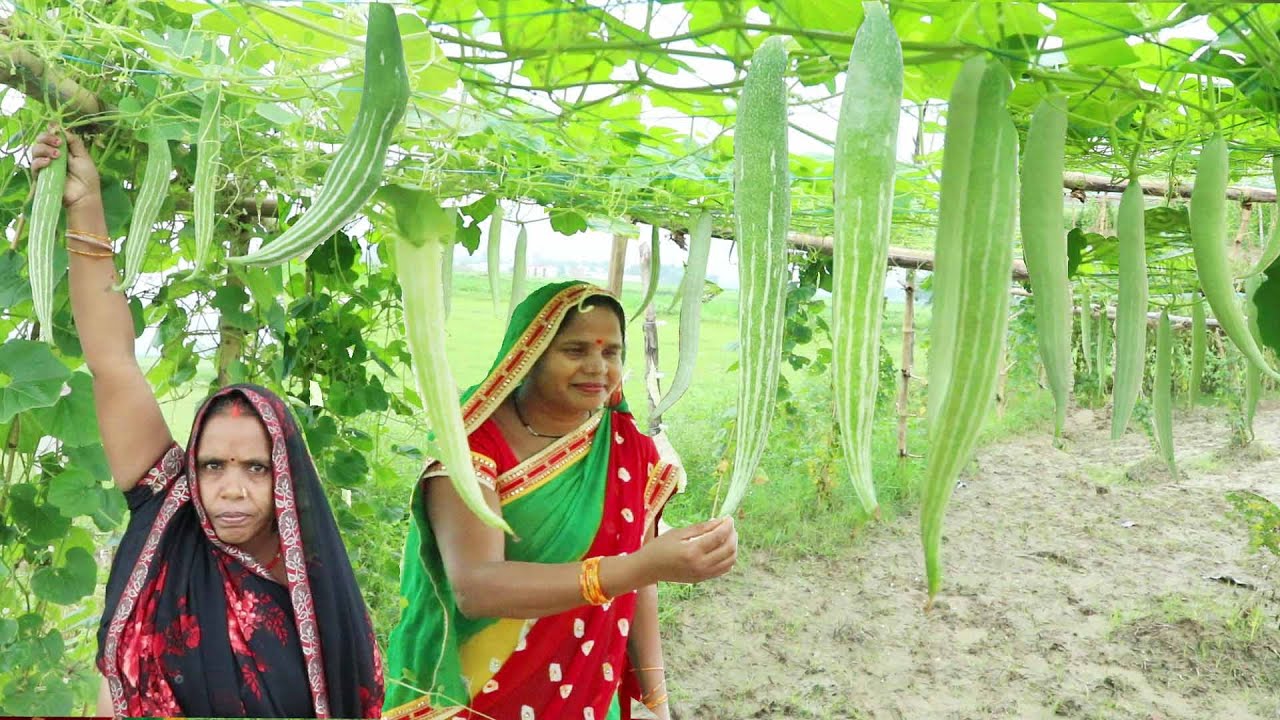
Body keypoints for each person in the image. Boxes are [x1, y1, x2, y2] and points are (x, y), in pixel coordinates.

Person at [29, 129, 384, 717]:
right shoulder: (168, 507)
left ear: (286, 477)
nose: (231, 487)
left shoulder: (324, 607)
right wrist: (84, 206)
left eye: (256, 467)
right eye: (212, 464)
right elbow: (113, 360)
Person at [383, 281, 738, 720]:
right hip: (473, 695)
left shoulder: (627, 448)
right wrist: (643, 565)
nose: (598, 368)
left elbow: (639, 586)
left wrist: (657, 697)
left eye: (611, 353)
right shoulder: (473, 444)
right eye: (575, 350)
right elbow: (476, 588)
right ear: (527, 354)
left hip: (586, 694)